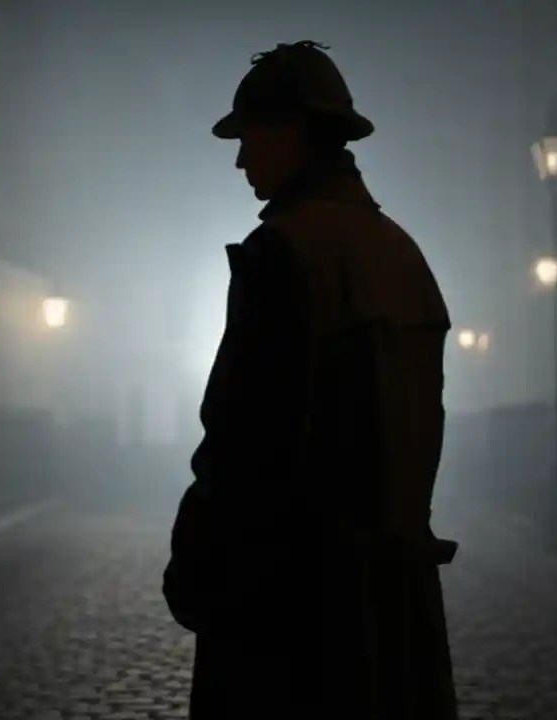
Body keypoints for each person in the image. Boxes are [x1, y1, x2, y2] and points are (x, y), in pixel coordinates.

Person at [162, 41, 459, 720]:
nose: (240, 160)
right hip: (394, 597)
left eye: (250, 138)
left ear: (292, 133)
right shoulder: (401, 251)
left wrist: (199, 558)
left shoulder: (284, 251)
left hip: (289, 605)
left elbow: (246, 438)